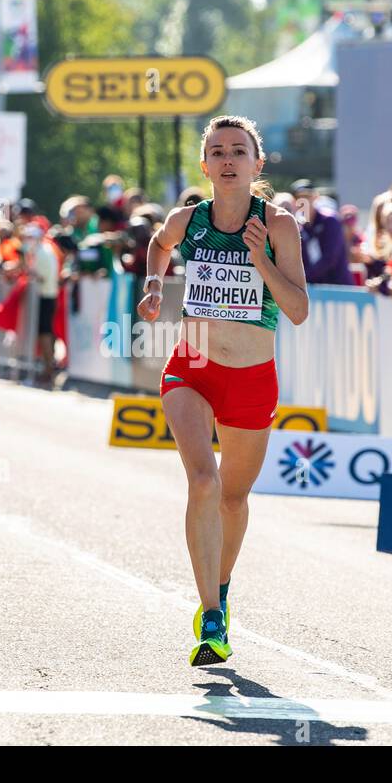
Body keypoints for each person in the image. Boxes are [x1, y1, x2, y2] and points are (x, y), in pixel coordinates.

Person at [137, 115, 308, 667]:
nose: (228, 160)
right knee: (203, 481)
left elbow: (299, 311)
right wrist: (153, 284)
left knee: (234, 498)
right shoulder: (187, 221)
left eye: (239, 151)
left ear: (257, 165)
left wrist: (261, 260)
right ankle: (210, 615)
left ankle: (222, 587)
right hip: (191, 368)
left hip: (251, 380)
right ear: (205, 165)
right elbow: (157, 247)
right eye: (218, 152)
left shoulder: (278, 225)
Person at [291, 179, 353, 285]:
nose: (303, 201)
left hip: (338, 287)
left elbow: (330, 258)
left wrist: (305, 278)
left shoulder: (330, 220)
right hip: (313, 288)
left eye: (307, 196)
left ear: (316, 197)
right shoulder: (298, 225)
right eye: (298, 197)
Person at [23, 224, 61, 386]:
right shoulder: (41, 251)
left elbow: (42, 277)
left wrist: (30, 273)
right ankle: (47, 369)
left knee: (45, 333)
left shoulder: (42, 252)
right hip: (46, 296)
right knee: (44, 333)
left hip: (45, 296)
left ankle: (48, 370)